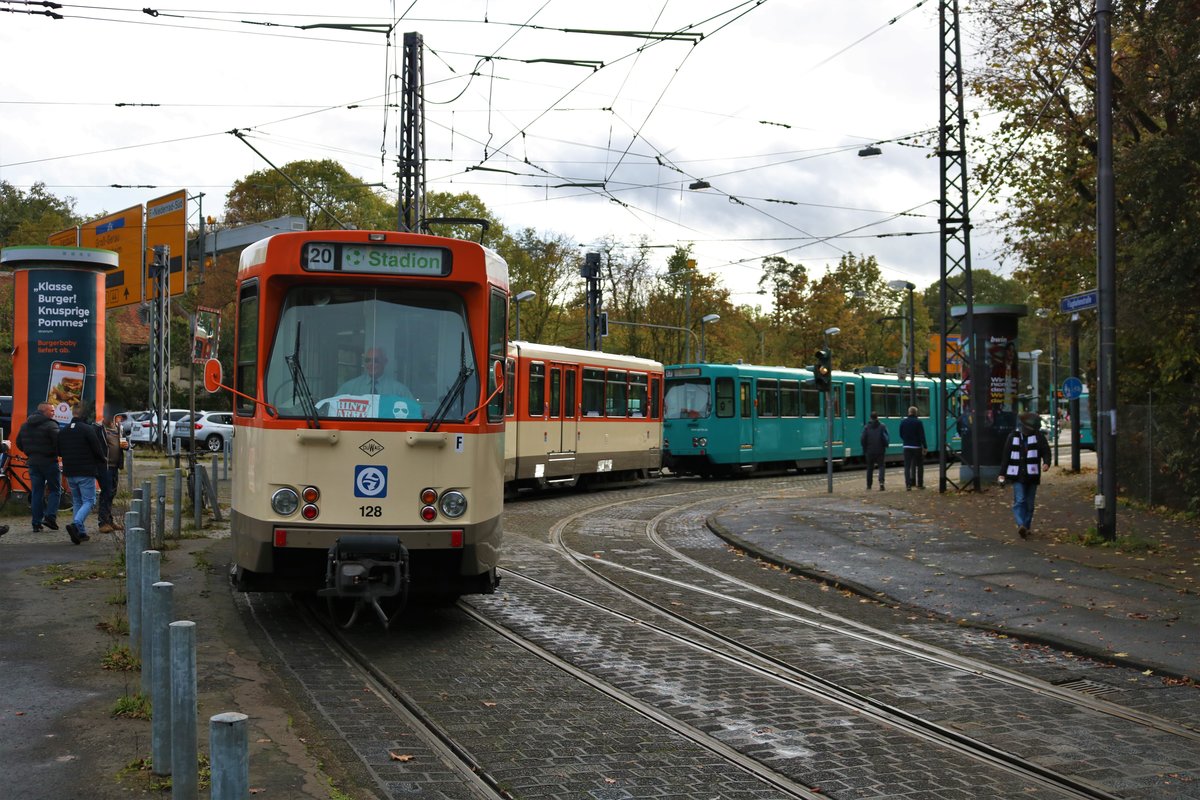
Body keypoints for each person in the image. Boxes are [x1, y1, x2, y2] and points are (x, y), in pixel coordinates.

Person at [57, 403, 107, 545]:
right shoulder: (87, 429)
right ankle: (76, 524)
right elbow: (97, 449)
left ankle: (81, 532)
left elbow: (59, 451)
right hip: (85, 471)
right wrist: (103, 460)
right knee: (89, 501)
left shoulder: (64, 430)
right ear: (85, 415)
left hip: (69, 471)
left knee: (78, 501)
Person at [998, 411, 1052, 539]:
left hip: (1032, 476)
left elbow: (1046, 451)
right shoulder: (1013, 437)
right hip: (1017, 474)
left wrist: (1047, 463)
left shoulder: (1038, 436)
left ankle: (1026, 527)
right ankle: (1021, 524)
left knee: (1030, 504)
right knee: (1020, 500)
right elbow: (1006, 456)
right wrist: (1002, 474)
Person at [15, 401, 61, 533]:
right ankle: (50, 517)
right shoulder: (51, 425)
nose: (54, 413)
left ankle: (36, 522)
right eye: (51, 411)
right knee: (55, 490)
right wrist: (58, 453)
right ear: (44, 411)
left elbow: (19, 443)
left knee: (36, 492)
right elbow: (59, 443)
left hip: (33, 463)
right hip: (49, 462)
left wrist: (30, 453)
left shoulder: (25, 425)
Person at [337, 347, 413, 396]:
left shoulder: (399, 391)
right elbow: (332, 408)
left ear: (385, 362)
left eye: (376, 360)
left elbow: (415, 412)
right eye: (367, 360)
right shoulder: (349, 388)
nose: (371, 364)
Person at [96, 406, 125, 533]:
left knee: (112, 493)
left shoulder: (118, 428)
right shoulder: (98, 428)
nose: (112, 418)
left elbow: (124, 443)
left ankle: (109, 520)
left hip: (115, 466)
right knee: (106, 493)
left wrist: (127, 445)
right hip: (104, 466)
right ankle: (103, 522)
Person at [899, 405, 927, 490]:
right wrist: (925, 446)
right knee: (920, 466)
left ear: (909, 412)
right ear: (916, 413)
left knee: (907, 466)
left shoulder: (903, 422)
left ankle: (908, 485)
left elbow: (901, 434)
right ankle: (920, 484)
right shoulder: (919, 422)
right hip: (917, 447)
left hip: (907, 446)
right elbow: (922, 436)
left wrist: (906, 440)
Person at [860, 411, 889, 491]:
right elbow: (886, 437)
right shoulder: (882, 426)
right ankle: (881, 483)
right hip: (880, 450)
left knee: (870, 468)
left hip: (869, 451)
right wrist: (885, 445)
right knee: (881, 466)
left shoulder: (866, 427)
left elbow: (863, 439)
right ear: (877, 417)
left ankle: (869, 485)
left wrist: (865, 448)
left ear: (870, 418)